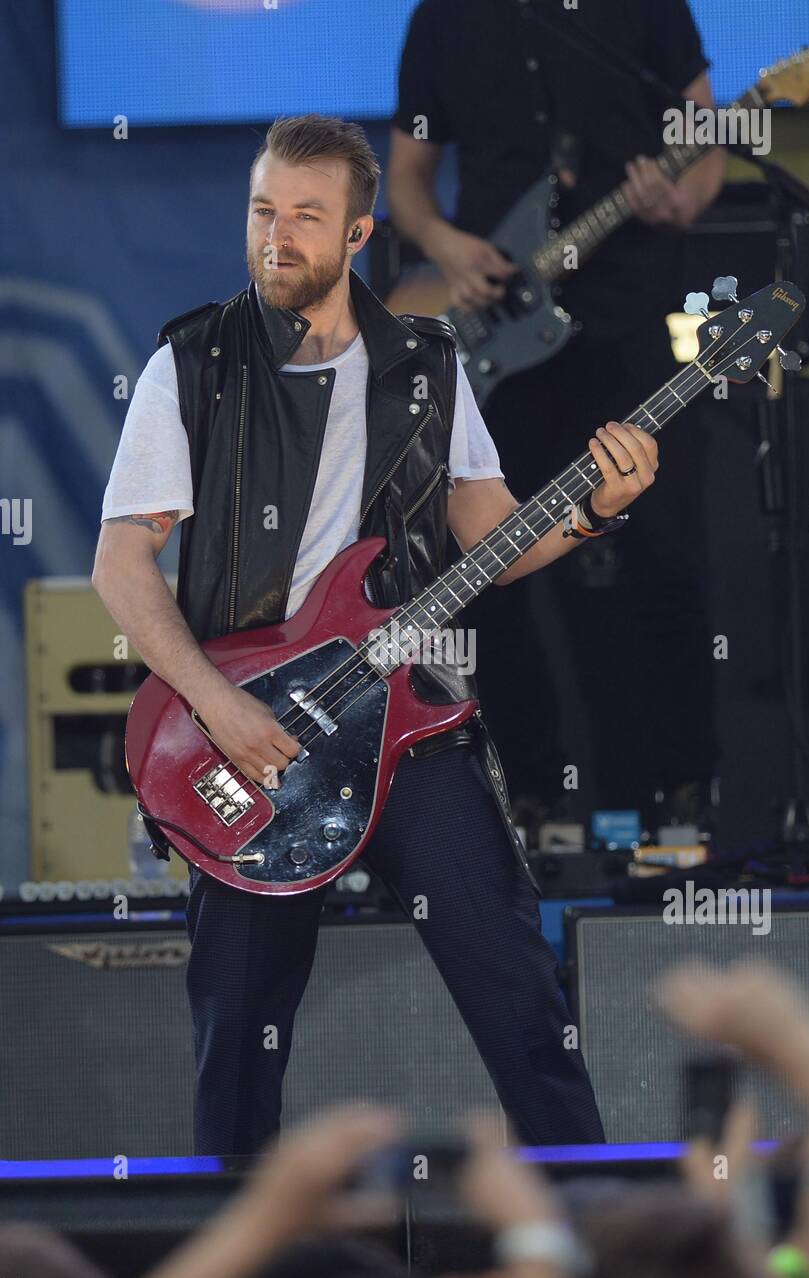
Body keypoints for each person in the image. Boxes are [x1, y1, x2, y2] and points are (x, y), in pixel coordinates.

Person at [93, 114, 658, 1156]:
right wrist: (217, 707)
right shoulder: (189, 365)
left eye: (305, 217)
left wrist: (590, 509)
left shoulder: (427, 366)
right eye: (263, 211)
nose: (276, 236)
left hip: (409, 728)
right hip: (248, 737)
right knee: (237, 1043)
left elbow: (491, 536)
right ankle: (234, 1254)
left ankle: (596, 1236)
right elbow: (121, 566)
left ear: (358, 235)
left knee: (521, 1000)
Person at [388, 0, 727, 828]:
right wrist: (446, 245)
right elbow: (407, 178)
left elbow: (705, 141)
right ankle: (526, 794)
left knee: (663, 554)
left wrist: (678, 200)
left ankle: (683, 797)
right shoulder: (444, 18)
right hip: (500, 328)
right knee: (486, 566)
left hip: (626, 315)